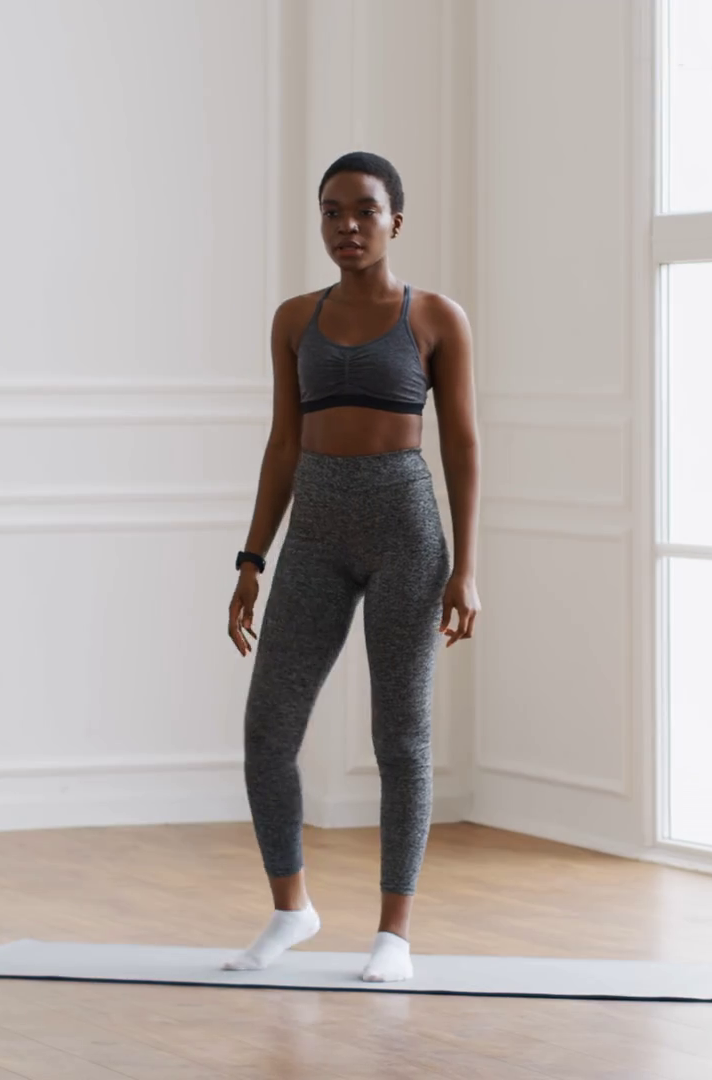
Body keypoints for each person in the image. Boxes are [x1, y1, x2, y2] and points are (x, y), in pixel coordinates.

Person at [224, 151, 481, 983]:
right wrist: (252, 558)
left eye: (365, 211)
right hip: (317, 534)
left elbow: (463, 446)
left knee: (400, 737)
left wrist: (465, 569)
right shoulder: (293, 319)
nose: (347, 225)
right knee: (268, 729)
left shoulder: (435, 316)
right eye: (332, 211)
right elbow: (282, 444)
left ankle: (394, 935)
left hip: (407, 532)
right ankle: (292, 909)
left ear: (395, 221)